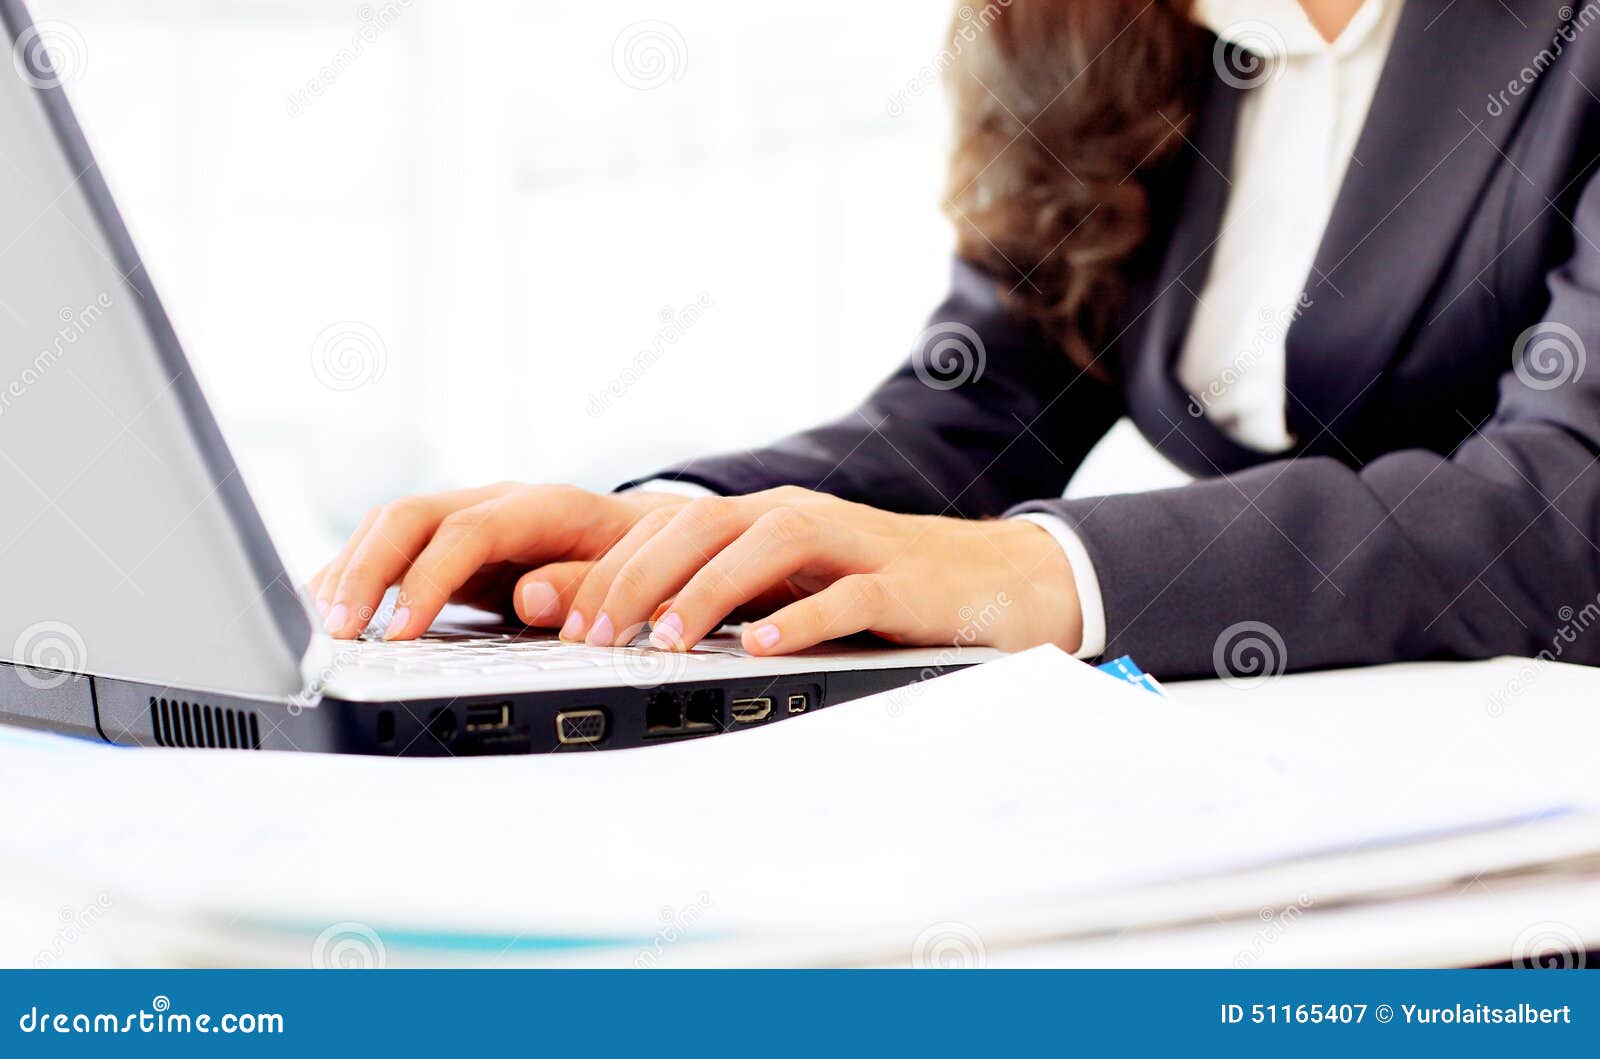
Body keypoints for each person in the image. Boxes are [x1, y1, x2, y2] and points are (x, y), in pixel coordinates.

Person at [310, 0, 1600, 678]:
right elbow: (976, 400)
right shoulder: (1096, 23)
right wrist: (670, 527)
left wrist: (1037, 574)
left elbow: (1565, 502)